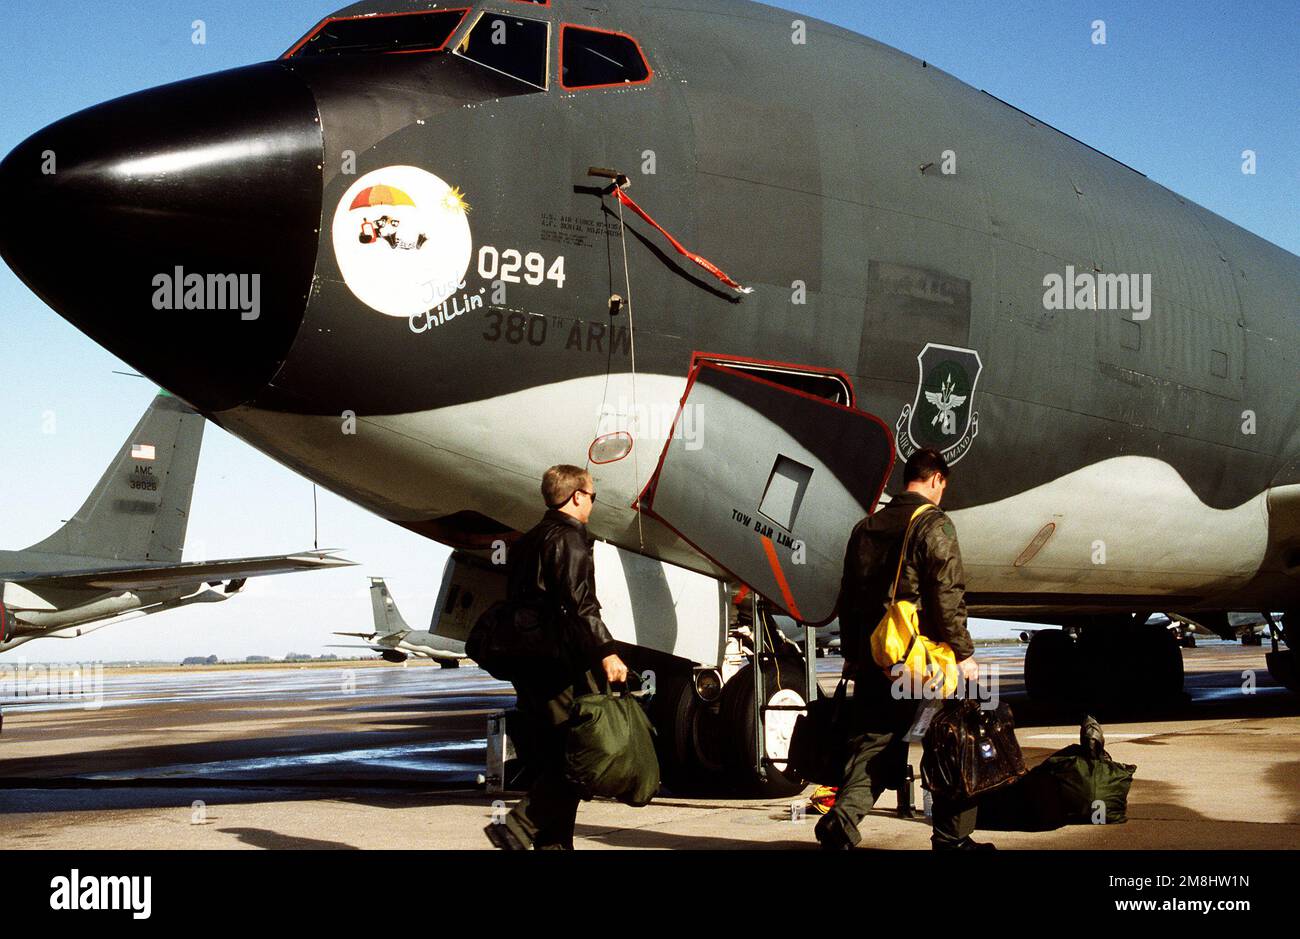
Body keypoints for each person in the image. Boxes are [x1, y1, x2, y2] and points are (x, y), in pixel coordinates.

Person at [815, 447, 992, 851]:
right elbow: (947, 595)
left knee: (875, 741)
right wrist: (964, 654)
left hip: (878, 658)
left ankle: (842, 821)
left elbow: (849, 596)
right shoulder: (934, 525)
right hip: (925, 663)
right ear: (937, 480)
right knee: (951, 743)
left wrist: (857, 654)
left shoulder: (866, 528)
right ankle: (952, 838)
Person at [484, 464, 629, 850]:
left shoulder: (528, 540)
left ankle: (553, 846)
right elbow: (580, 604)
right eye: (593, 496)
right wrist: (607, 652)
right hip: (556, 666)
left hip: (526, 663)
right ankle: (519, 825)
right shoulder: (570, 538)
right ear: (577, 496)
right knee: (584, 755)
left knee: (551, 757)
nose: (594, 503)